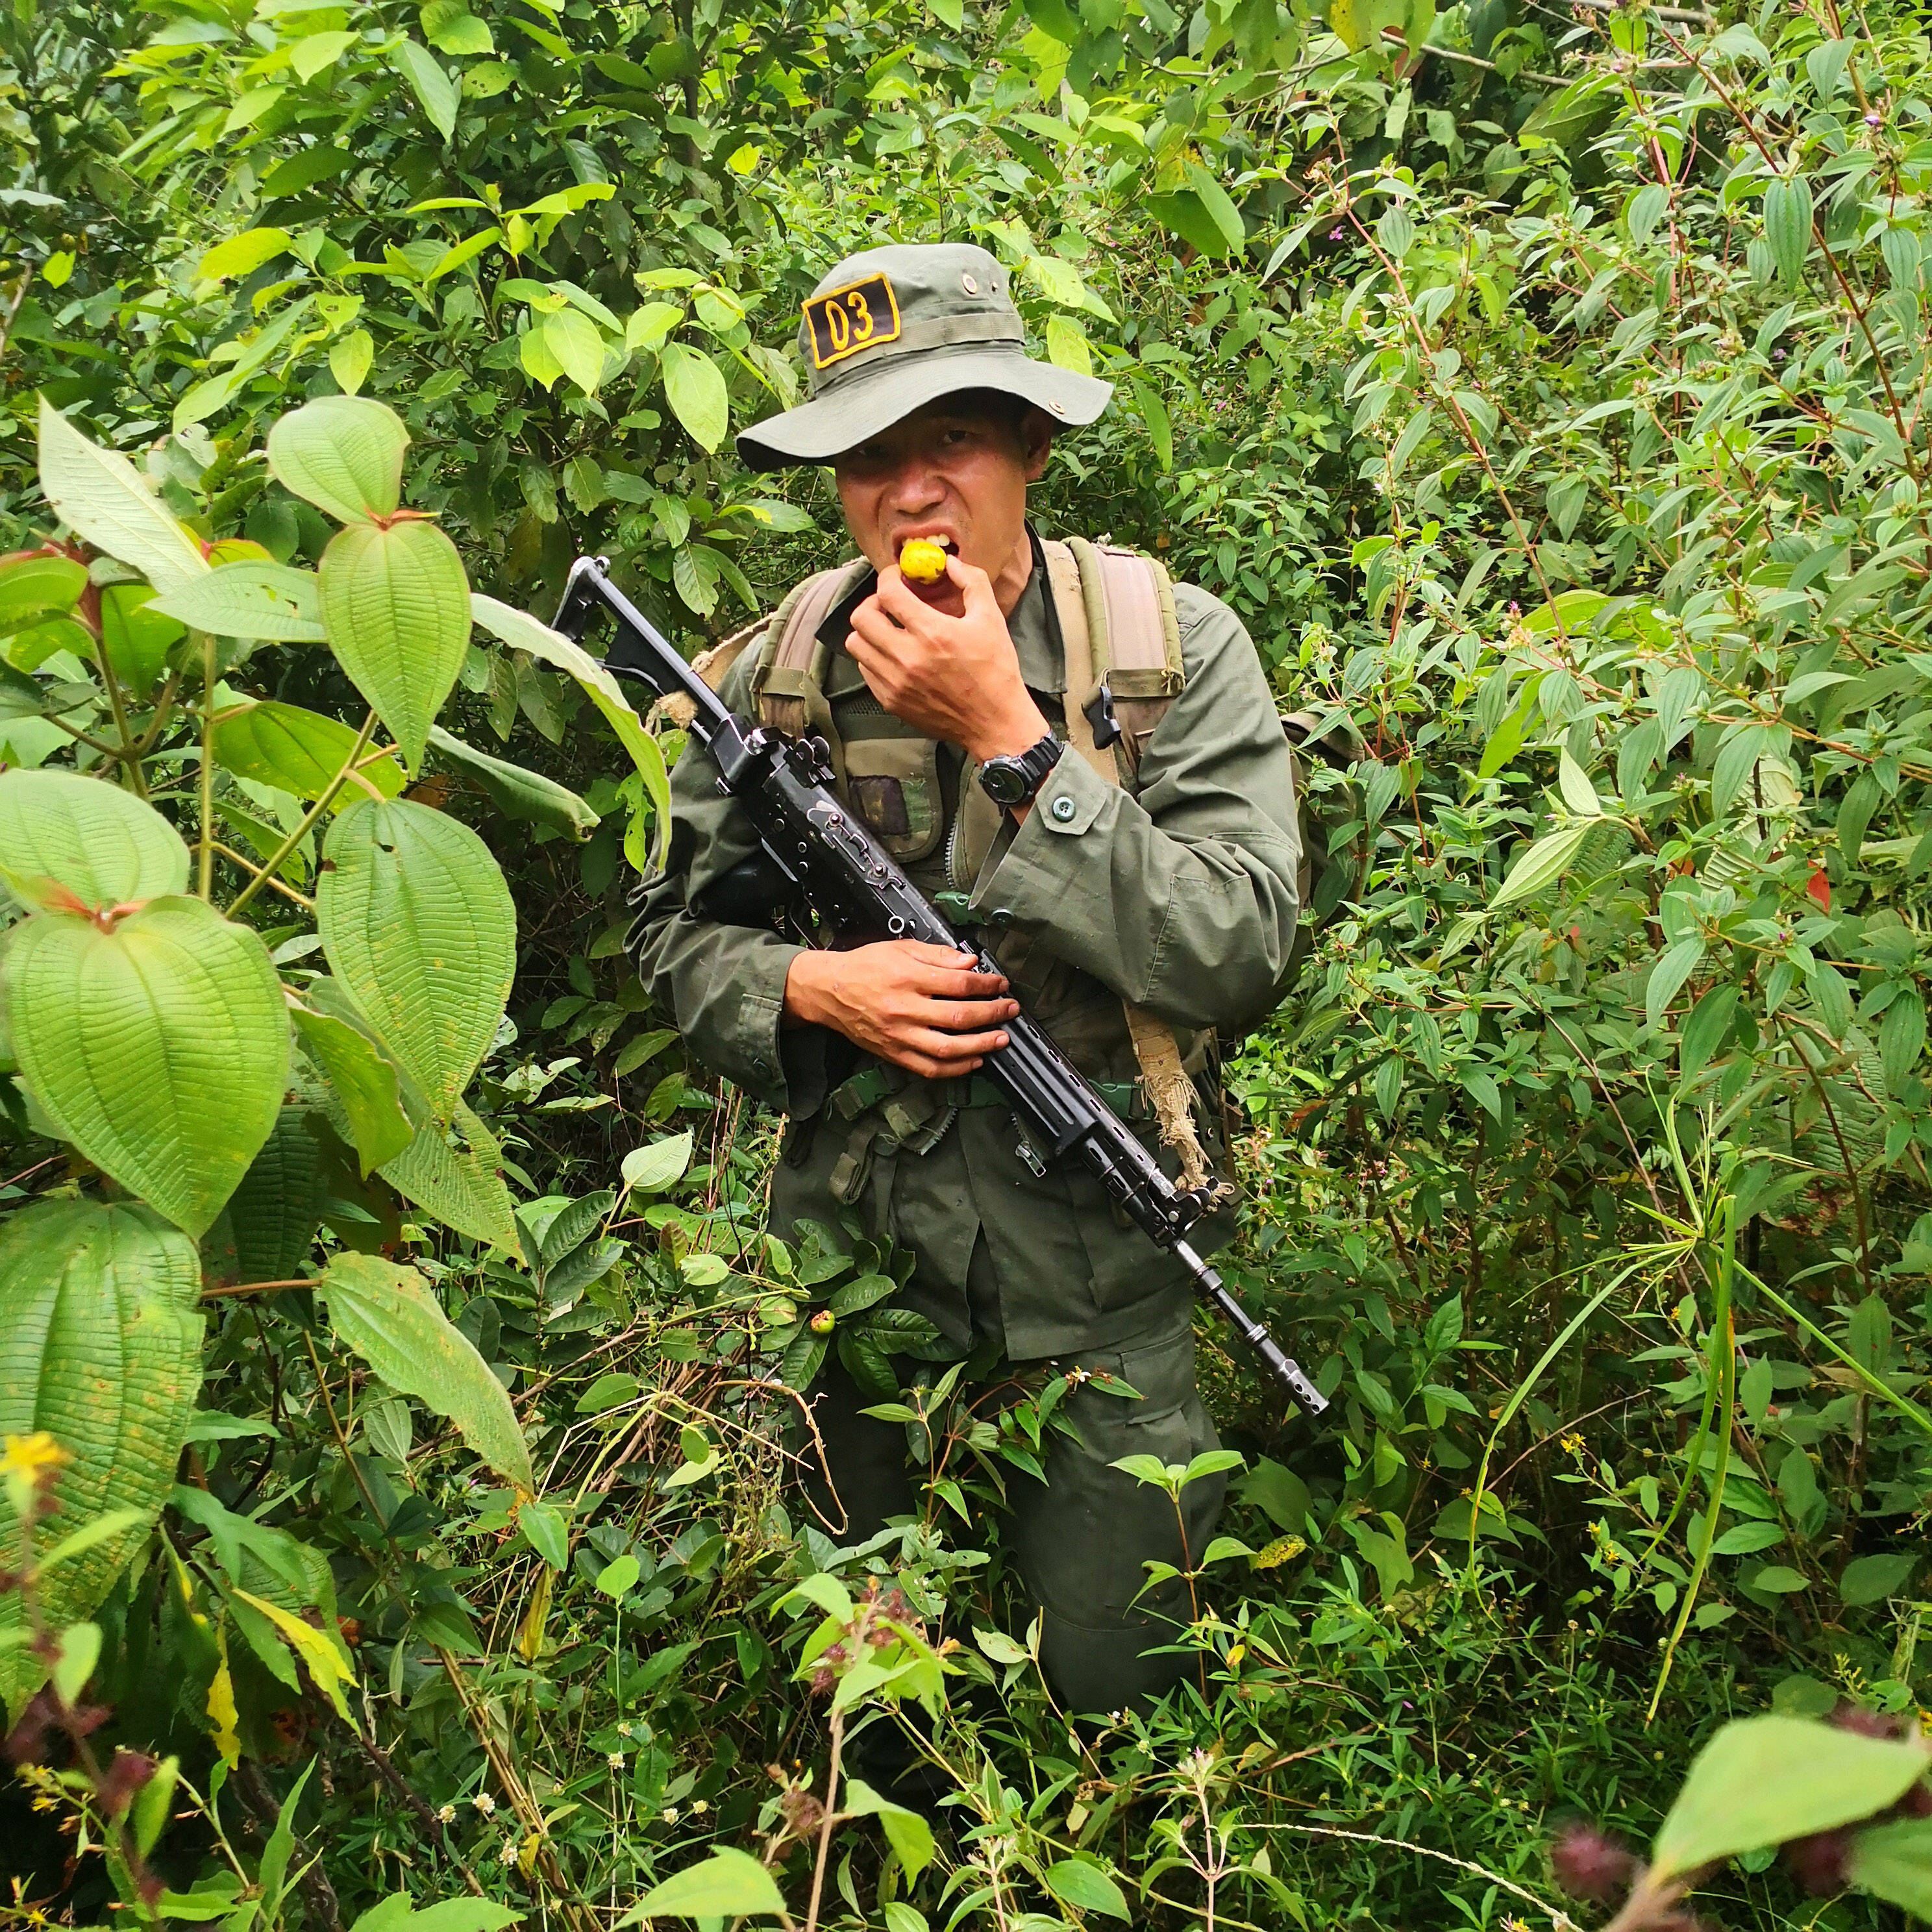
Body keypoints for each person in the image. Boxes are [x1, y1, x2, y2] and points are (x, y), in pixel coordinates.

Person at [628, 242, 1301, 1718]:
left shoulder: (1165, 656)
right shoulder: (779, 675)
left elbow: (1244, 945)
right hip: (856, 1282)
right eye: (869, 454)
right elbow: (673, 938)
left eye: (951, 437)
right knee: (869, 1714)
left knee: (1130, 1706)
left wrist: (1016, 739)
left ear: (1030, 445)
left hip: (1105, 1282)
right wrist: (812, 990)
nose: (911, 488)